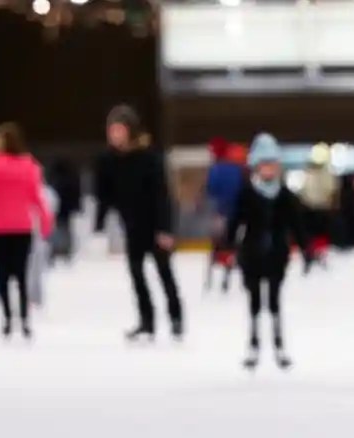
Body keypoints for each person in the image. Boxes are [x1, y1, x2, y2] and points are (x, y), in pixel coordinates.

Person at [94, 104, 183, 341]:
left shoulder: (149, 157)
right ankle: (147, 321)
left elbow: (162, 195)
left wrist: (165, 229)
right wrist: (99, 222)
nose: (114, 135)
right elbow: (105, 195)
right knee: (136, 274)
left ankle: (176, 318)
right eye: (111, 130)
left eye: (119, 130)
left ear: (130, 131)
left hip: (155, 226)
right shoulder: (108, 160)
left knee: (164, 273)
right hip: (132, 227)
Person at [226, 133, 310, 370]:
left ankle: (278, 344)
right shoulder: (246, 194)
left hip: (276, 256)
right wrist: (228, 246)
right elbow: (235, 222)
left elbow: (297, 225)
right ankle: (253, 344)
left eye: (272, 164)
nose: (269, 169)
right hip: (251, 256)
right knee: (254, 301)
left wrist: (306, 251)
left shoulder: (285, 196)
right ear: (256, 166)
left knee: (274, 301)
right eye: (264, 165)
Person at [0, 122, 53, 339]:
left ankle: (7, 319)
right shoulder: (28, 166)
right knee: (21, 275)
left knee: (2, 275)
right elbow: (37, 197)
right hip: (22, 228)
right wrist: (45, 221)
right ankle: (24, 319)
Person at [204, 137, 244, 293]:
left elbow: (211, 190)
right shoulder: (237, 168)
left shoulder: (216, 169)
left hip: (221, 213)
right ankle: (229, 272)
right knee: (233, 243)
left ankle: (214, 275)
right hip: (237, 214)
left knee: (218, 243)